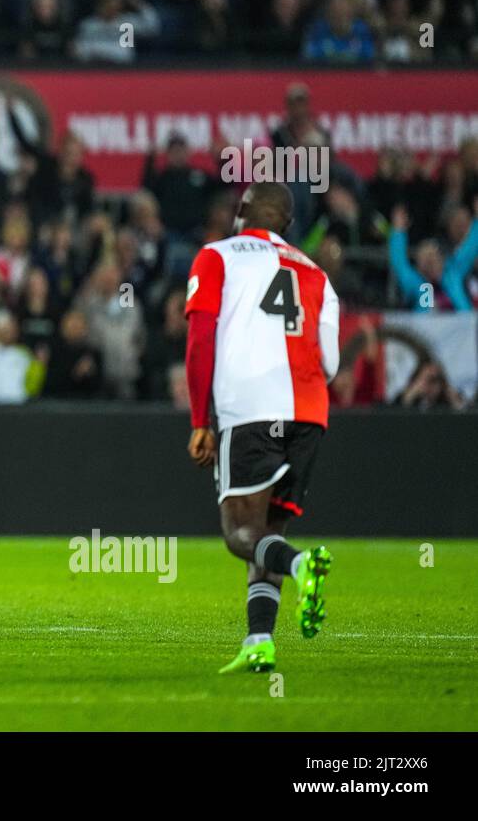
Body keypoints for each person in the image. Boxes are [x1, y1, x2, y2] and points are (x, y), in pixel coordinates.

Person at [183, 181, 340, 675]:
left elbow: (200, 339)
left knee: (240, 532)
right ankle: (259, 641)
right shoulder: (318, 273)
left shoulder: (216, 256)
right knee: (270, 528)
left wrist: (199, 420)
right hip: (310, 410)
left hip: (250, 406)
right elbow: (331, 362)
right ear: (289, 225)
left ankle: (299, 566)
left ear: (240, 213)